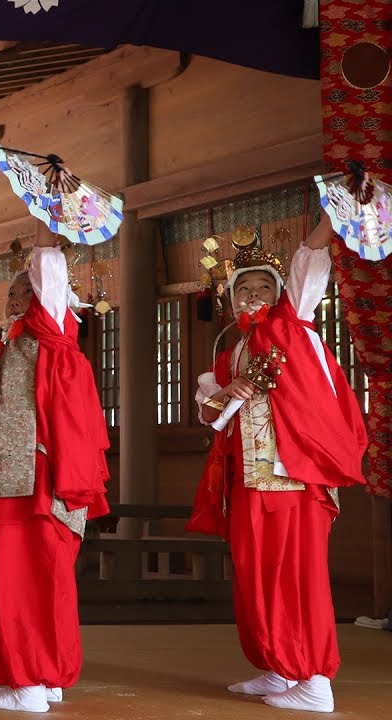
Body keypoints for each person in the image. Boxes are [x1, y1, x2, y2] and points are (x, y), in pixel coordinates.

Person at [188, 220, 367, 713]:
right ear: (230, 300)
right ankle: (277, 665)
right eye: (242, 288)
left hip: (293, 476)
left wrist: (331, 216)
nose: (251, 294)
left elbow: (310, 259)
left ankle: (313, 678)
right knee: (255, 574)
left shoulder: (292, 324)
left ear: (284, 292)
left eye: (263, 286)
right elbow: (208, 413)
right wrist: (226, 393)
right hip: (247, 479)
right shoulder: (228, 355)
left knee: (296, 575)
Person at [0, 228, 110, 713]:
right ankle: (48, 676)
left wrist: (45, 231)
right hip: (14, 481)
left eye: (28, 289)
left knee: (21, 581)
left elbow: (50, 275)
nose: (17, 298)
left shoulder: (52, 337)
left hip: (31, 482)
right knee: (46, 580)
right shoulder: (11, 349)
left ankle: (26, 685)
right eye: (11, 292)